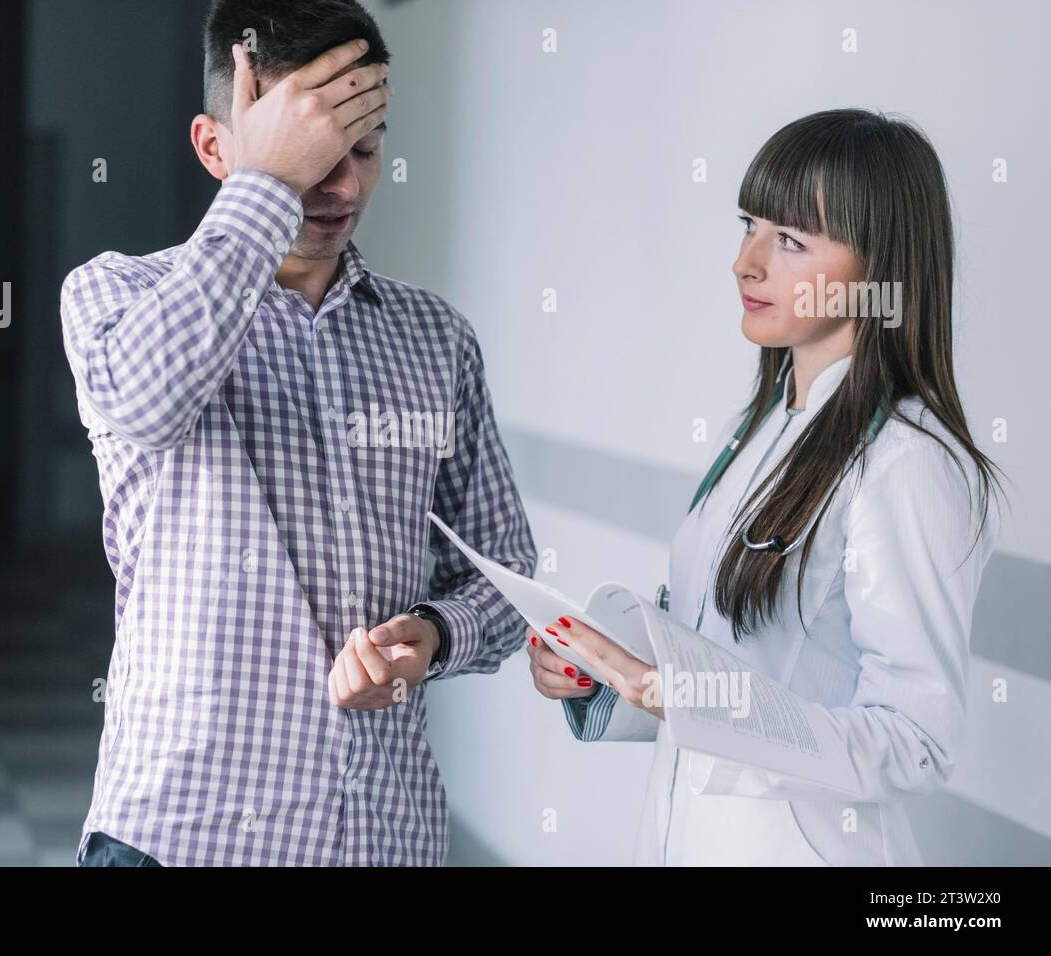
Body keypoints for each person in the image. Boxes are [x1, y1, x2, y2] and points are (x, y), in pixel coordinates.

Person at [60, 0, 535, 866]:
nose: (346, 186)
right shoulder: (114, 296)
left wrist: (433, 634)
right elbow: (146, 402)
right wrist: (263, 188)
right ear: (216, 148)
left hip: (380, 837)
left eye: (362, 148)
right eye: (311, 155)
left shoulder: (435, 339)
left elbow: (507, 574)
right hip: (178, 839)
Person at [527, 108, 1005, 866]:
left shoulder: (909, 463)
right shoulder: (760, 429)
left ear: (879, 270)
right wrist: (608, 678)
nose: (746, 262)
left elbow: (915, 742)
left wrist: (688, 699)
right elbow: (725, 670)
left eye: (789, 240)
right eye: (750, 224)